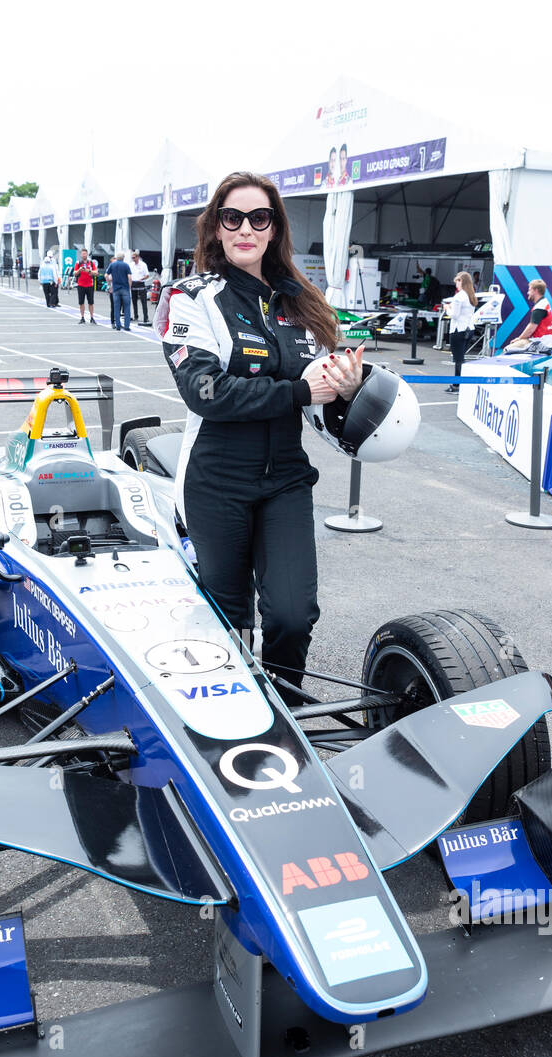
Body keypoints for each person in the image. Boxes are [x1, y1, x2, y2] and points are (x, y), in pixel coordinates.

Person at [161, 170, 363, 693]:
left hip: (286, 480)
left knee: (294, 615)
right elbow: (205, 391)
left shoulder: (303, 301)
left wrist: (347, 386)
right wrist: (299, 391)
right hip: (216, 479)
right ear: (216, 228)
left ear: (274, 228)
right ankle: (230, 717)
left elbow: (325, 400)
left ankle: (285, 708)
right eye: (233, 217)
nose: (245, 228)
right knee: (227, 620)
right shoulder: (189, 297)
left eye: (259, 217)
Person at [503, 278, 552, 354]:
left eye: (530, 290)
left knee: (507, 350)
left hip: (540, 343)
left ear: (536, 291)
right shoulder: (544, 303)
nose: (528, 293)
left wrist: (519, 338)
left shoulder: (540, 306)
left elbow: (531, 329)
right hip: (546, 342)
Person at [445, 271, 477, 392]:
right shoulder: (471, 295)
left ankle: (457, 385)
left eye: (457, 281)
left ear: (462, 281)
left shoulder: (459, 296)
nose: (456, 284)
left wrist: (447, 308)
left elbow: (454, 315)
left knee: (458, 359)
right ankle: (461, 383)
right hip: (469, 329)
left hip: (458, 329)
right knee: (461, 358)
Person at [106, 251, 132, 331]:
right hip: (125, 288)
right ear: (123, 258)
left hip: (116, 289)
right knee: (127, 308)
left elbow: (106, 275)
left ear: (117, 258)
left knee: (116, 308)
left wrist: (110, 285)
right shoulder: (126, 265)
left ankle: (118, 326)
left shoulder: (112, 265)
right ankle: (127, 326)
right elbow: (129, 277)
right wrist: (129, 287)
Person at [74, 247, 97, 324]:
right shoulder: (78, 263)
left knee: (91, 302)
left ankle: (92, 317)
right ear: (81, 255)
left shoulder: (91, 263)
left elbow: (96, 273)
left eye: (85, 253)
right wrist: (79, 270)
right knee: (81, 302)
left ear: (87, 254)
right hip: (81, 285)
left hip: (89, 285)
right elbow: (74, 273)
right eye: (82, 254)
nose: (84, 255)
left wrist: (89, 271)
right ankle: (82, 317)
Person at [129, 251, 150, 324]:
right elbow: (129, 274)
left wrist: (142, 279)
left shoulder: (143, 264)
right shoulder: (131, 264)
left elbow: (147, 275)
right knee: (134, 301)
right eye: (132, 258)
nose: (133, 259)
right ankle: (136, 316)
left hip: (141, 283)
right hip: (133, 283)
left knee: (143, 301)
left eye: (134, 258)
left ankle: (146, 317)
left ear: (138, 257)